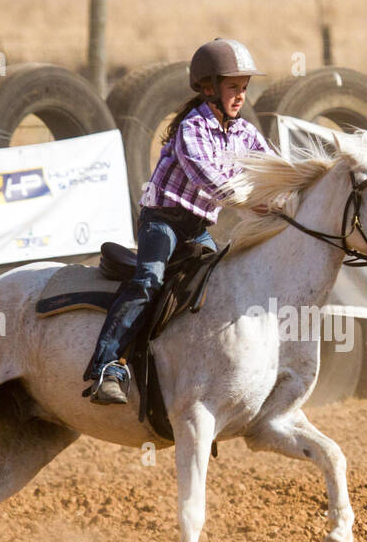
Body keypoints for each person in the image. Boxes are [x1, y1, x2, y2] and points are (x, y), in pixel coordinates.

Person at [83, 38, 278, 405]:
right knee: (148, 281)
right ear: (209, 89)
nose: (241, 95)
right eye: (233, 86)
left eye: (244, 88)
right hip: (163, 223)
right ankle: (106, 367)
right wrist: (252, 199)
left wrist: (289, 194)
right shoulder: (192, 128)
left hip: (197, 229)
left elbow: (270, 166)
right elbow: (206, 176)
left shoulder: (244, 132)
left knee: (220, 286)